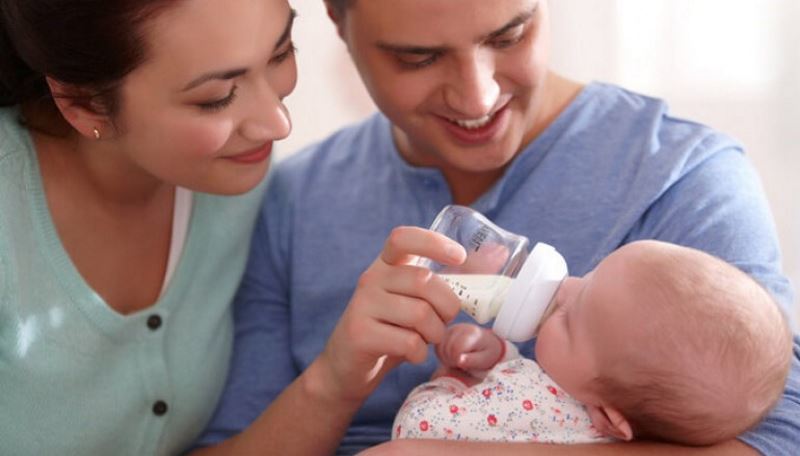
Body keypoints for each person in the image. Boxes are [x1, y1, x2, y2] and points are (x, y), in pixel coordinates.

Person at [197, 0, 800, 455]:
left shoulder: (678, 173)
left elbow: (778, 434)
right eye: (419, 56)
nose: (477, 94)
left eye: (509, 34)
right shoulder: (294, 199)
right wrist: (332, 382)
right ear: (336, 18)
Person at [0, 0, 296, 454]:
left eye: (280, 54)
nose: (278, 123)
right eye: (216, 97)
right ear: (85, 104)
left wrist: (340, 375)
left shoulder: (233, 174)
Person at [393, 241, 792, 446]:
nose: (564, 287)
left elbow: (415, 430)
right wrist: (498, 356)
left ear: (607, 416)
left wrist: (446, 380)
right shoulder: (587, 408)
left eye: (568, 320)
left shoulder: (537, 401)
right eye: (589, 276)